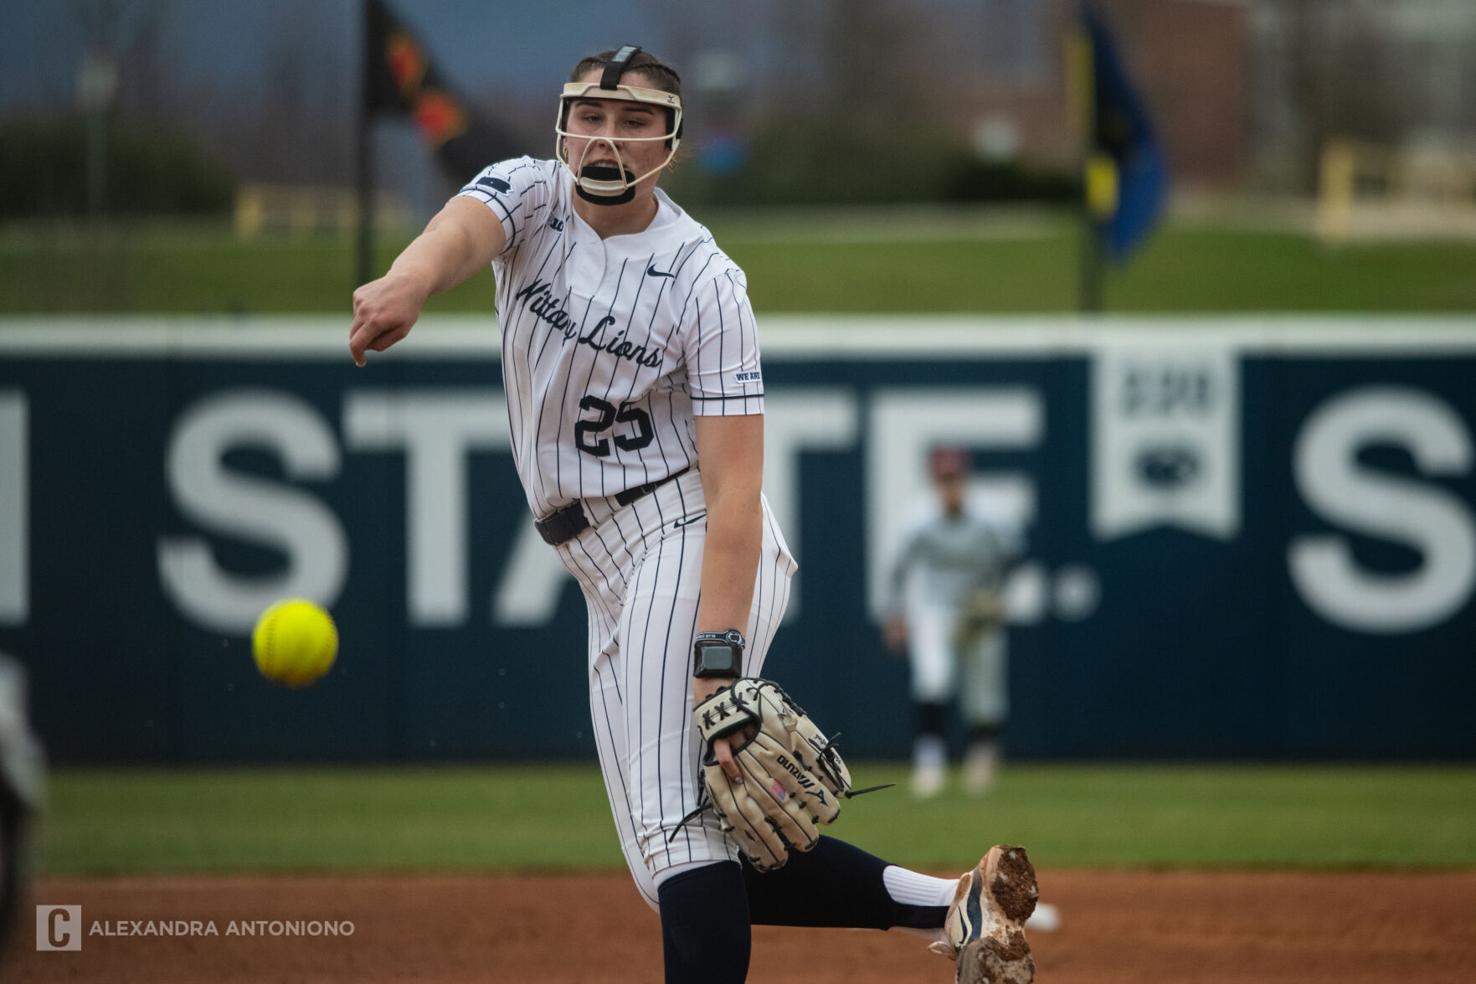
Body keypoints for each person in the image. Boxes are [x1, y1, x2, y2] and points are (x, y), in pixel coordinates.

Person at [347, 45, 1038, 984]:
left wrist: (716, 666)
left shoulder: (702, 278)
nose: (608, 136)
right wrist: (408, 282)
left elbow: (736, 491)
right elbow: (462, 232)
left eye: (635, 122)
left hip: (688, 536)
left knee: (680, 829)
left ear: (667, 142)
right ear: (564, 123)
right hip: (602, 569)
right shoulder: (531, 193)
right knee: (665, 861)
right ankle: (952, 906)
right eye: (593, 114)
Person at [884, 447, 1024, 798]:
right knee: (933, 678)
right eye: (943, 479)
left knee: (985, 690)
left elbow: (1014, 557)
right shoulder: (919, 518)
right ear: (934, 481)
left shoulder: (991, 515)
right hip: (935, 608)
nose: (950, 485)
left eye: (955, 477)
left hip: (979, 608)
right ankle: (929, 763)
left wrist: (996, 598)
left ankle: (983, 759)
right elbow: (897, 570)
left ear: (965, 477)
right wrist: (895, 615)